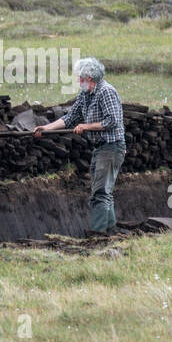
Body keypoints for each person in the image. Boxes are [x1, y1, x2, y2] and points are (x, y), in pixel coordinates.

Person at [34, 57, 126, 234]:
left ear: (90, 78)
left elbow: (112, 121)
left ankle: (99, 232)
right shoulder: (85, 95)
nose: (78, 81)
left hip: (112, 147)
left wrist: (86, 126)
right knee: (103, 189)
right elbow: (70, 117)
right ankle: (110, 230)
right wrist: (46, 128)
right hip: (101, 148)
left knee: (100, 191)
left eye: (80, 78)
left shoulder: (106, 92)